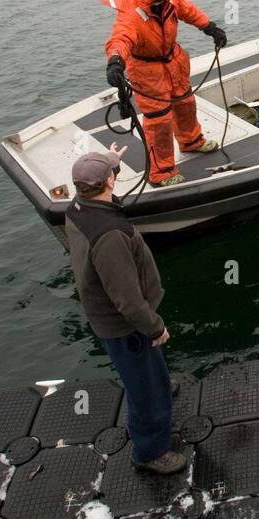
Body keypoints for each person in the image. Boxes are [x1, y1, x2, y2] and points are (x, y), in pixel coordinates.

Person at [66, 145, 185, 474]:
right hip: (125, 325)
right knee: (142, 390)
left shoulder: (78, 207)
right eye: (111, 174)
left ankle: (163, 385)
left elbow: (100, 180)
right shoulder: (109, 236)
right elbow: (127, 299)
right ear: (109, 183)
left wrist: (111, 162)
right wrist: (155, 325)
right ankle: (150, 452)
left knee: (151, 368)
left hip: (110, 318)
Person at [103, 0, 227, 187]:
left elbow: (188, 10)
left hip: (174, 62)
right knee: (159, 121)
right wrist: (115, 61)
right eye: (156, 1)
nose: (161, 4)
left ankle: (191, 141)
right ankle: (161, 172)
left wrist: (209, 27)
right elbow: (120, 38)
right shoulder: (131, 14)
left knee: (185, 103)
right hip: (147, 71)